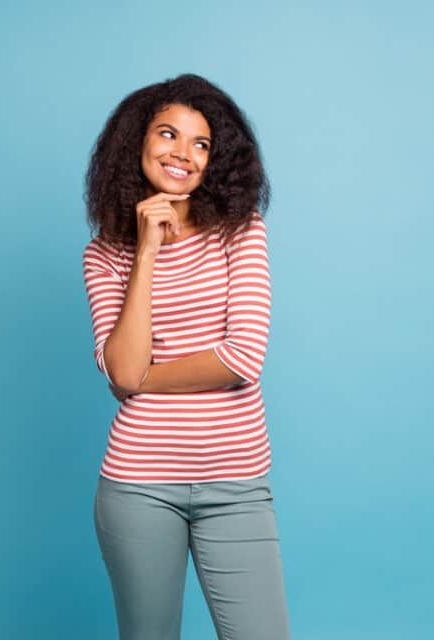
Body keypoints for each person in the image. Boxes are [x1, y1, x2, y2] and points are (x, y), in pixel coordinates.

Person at [81, 73, 291, 640]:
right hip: (137, 485)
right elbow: (121, 366)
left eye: (201, 144)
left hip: (236, 482)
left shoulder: (240, 231)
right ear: (137, 143)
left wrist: (142, 380)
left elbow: (242, 357)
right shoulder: (104, 255)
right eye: (169, 134)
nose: (184, 154)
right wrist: (146, 251)